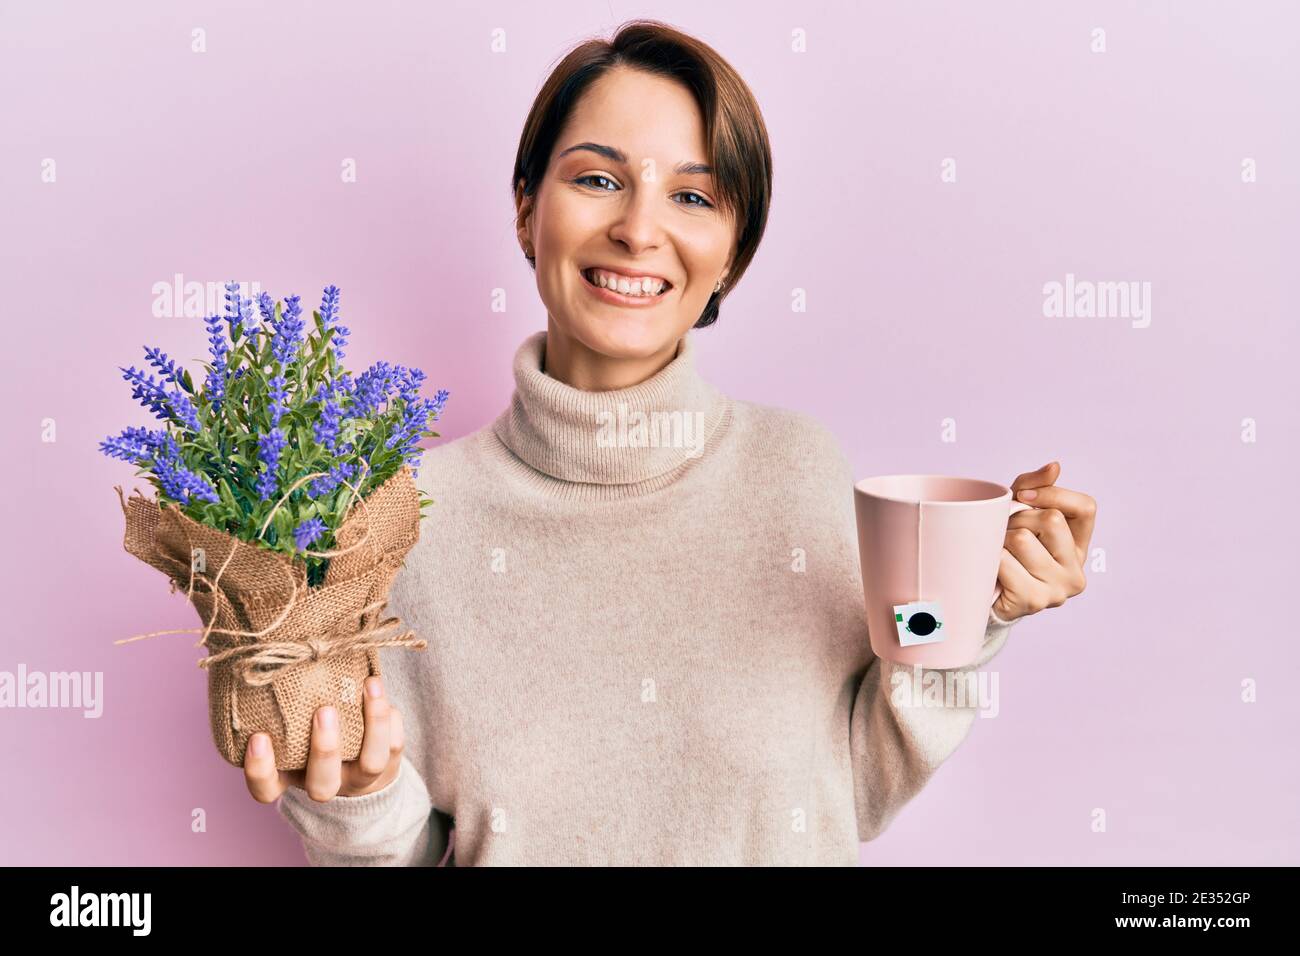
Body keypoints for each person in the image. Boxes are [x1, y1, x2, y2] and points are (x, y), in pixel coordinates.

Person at [244, 19, 1095, 866]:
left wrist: (969, 606)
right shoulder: (401, 521)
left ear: (731, 254)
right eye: (598, 179)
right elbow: (408, 849)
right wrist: (355, 803)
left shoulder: (796, 471)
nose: (639, 229)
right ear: (526, 209)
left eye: (693, 196)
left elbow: (856, 794)